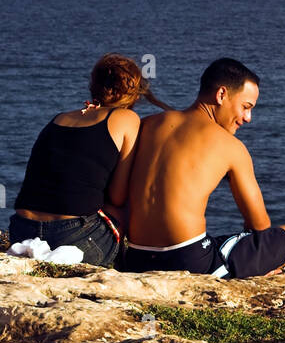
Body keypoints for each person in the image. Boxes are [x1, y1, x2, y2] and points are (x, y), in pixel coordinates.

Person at [115, 57, 285, 279]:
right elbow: (260, 225)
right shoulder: (231, 146)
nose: (248, 118)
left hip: (137, 258)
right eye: (245, 107)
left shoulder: (147, 124)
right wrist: (259, 260)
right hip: (189, 261)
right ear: (222, 94)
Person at [9, 54, 168, 266]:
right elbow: (118, 197)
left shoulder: (59, 118)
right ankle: (142, 266)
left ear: (93, 85)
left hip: (21, 230)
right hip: (72, 235)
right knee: (126, 207)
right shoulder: (125, 119)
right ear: (133, 93)